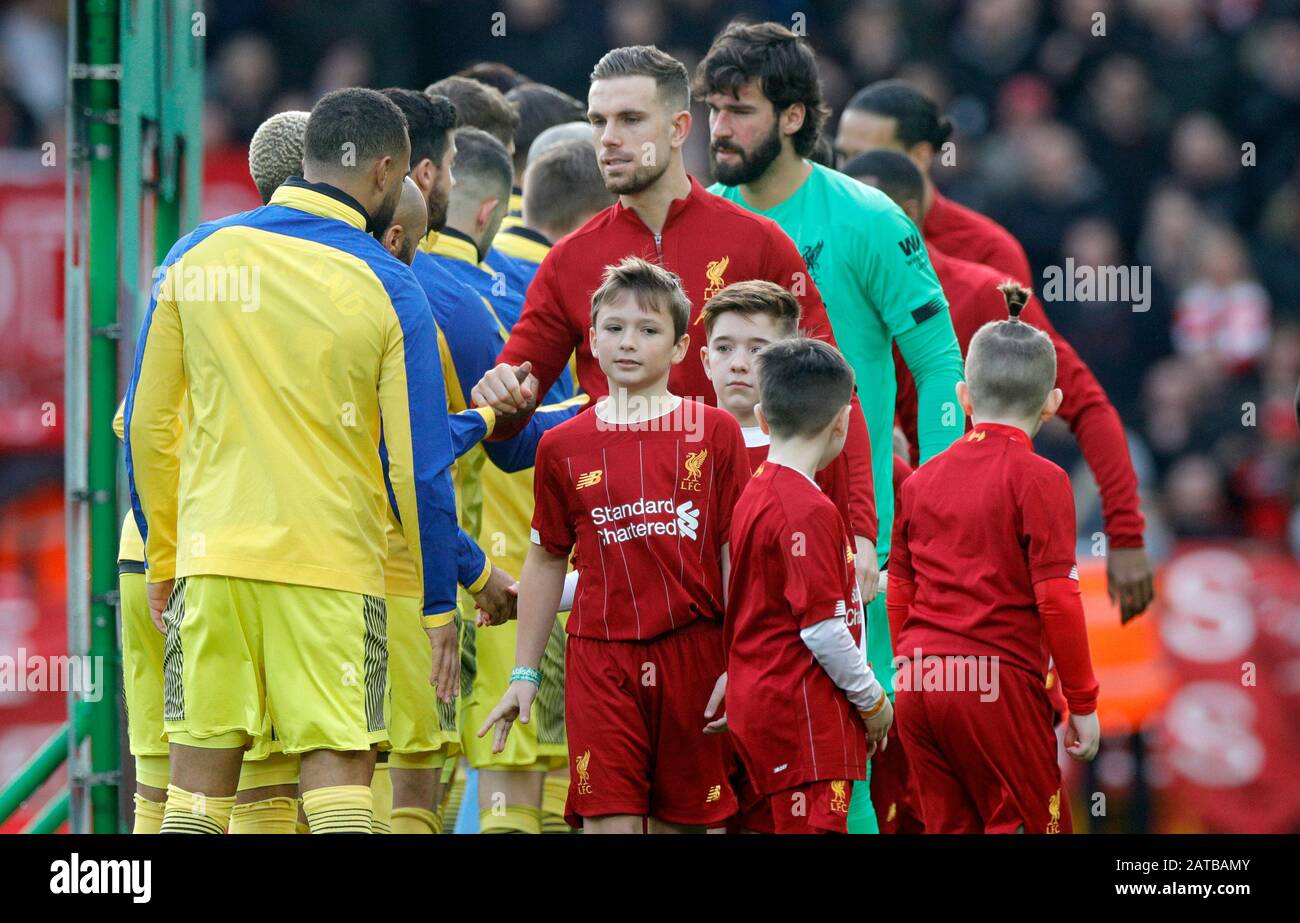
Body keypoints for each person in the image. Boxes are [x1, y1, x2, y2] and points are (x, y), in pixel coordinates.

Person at [126, 87, 460, 834]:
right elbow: (415, 468)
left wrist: (166, 556)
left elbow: (148, 427)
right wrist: (438, 601)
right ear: (384, 174)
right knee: (340, 787)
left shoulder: (196, 254)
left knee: (197, 798)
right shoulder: (391, 283)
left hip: (212, 562)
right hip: (333, 574)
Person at [472, 44, 881, 605]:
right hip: (623, 568)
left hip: (747, 561)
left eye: (630, 119)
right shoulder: (568, 262)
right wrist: (499, 401)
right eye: (598, 121)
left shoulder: (759, 243)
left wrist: (859, 529)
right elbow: (507, 416)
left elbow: (833, 392)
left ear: (679, 127)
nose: (608, 138)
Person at [696, 20, 965, 832]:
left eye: (739, 110)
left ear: (791, 116)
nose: (719, 129)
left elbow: (942, 365)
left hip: (853, 547)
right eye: (712, 109)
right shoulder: (705, 220)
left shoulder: (867, 218)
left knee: (840, 769)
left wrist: (939, 503)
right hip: (719, 546)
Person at [478, 258, 750, 833]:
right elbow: (548, 555)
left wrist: (740, 662)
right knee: (609, 822)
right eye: (614, 328)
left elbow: (735, 556)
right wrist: (524, 673)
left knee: (688, 824)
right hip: (601, 661)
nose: (629, 342)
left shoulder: (716, 432)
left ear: (679, 349)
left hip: (695, 655)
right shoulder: (561, 445)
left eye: (649, 331)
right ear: (592, 342)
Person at [844, 149, 1154, 625]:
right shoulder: (823, 297)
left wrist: (1126, 533)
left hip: (977, 555)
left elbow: (1087, 403)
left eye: (865, 210)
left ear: (906, 212)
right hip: (868, 550)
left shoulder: (985, 289)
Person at [887, 282, 1102, 833]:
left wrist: (906, 665)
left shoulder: (920, 481)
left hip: (920, 682)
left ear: (963, 396)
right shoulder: (1044, 480)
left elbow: (902, 591)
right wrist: (1082, 701)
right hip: (996, 682)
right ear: (1052, 405)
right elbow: (1057, 598)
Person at [696, 280, 861, 833]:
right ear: (702, 358)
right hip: (706, 677)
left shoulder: (817, 453)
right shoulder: (682, 449)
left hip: (790, 688)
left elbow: (829, 573)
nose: (741, 363)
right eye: (725, 347)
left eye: (759, 350)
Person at [725, 337, 894, 834]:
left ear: (761, 417)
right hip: (805, 716)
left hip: (766, 707)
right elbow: (822, 630)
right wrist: (873, 701)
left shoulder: (757, 493)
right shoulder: (809, 510)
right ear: (842, 421)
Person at [835, 79, 1033, 285]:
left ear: (920, 156)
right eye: (842, 155)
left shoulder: (988, 251)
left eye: (864, 157)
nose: (847, 172)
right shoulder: (822, 241)